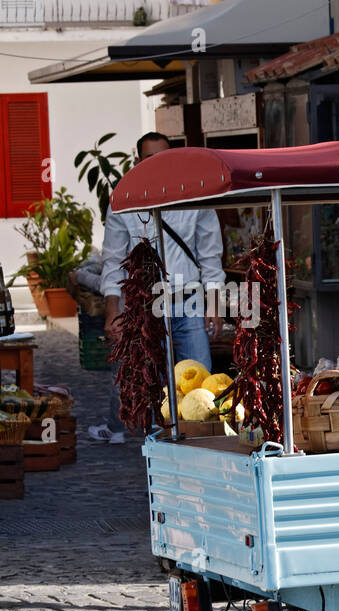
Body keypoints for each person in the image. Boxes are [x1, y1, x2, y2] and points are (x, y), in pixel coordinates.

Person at [89, 132, 225, 443]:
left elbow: (210, 256)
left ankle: (201, 441)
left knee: (200, 383)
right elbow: (112, 262)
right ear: (138, 162)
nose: (158, 165)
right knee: (145, 380)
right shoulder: (122, 200)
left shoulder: (195, 195)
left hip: (189, 304)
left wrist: (215, 306)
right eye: (150, 159)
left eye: (163, 157)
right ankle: (152, 442)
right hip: (143, 307)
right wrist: (113, 310)